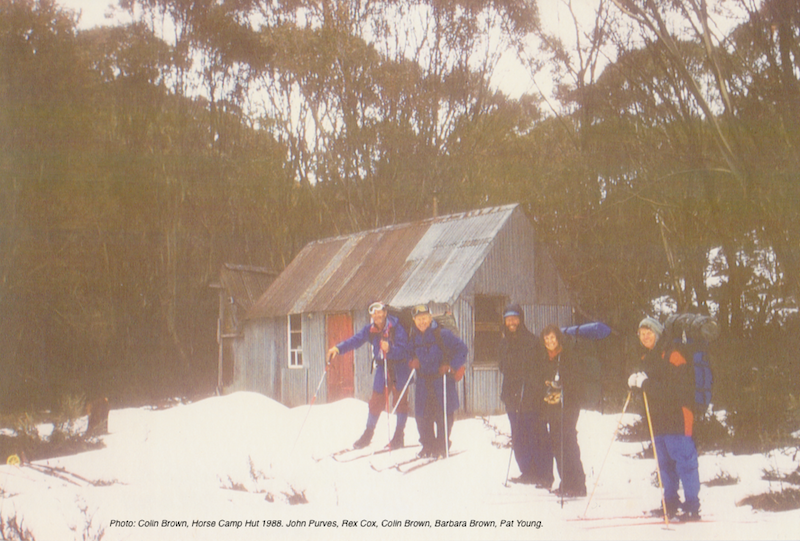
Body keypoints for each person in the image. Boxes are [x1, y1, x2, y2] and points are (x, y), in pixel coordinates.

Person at [628, 316, 701, 522]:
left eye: (649, 332)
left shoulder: (674, 355)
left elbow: (675, 390)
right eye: (641, 334)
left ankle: (692, 506)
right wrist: (634, 382)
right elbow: (649, 386)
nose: (645, 337)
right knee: (664, 463)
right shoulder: (648, 357)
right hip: (658, 418)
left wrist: (646, 384)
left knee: (684, 461)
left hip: (678, 415)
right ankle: (670, 503)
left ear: (658, 333)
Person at [327, 301, 411, 449]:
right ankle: (368, 434)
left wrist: (390, 349)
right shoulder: (370, 330)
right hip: (382, 368)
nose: (377, 315)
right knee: (375, 402)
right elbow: (355, 341)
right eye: (373, 312)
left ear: (385, 313)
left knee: (400, 403)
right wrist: (338, 349)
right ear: (371, 315)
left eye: (380, 312)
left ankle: (399, 436)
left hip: (400, 367)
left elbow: (405, 350)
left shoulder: (397, 328)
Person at [498, 303, 552, 487]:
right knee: (519, 436)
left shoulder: (533, 341)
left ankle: (544, 475)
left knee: (537, 435)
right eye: (508, 319)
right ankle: (527, 472)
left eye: (514, 318)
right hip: (512, 397)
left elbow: (542, 368)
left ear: (521, 319)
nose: (511, 322)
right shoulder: (504, 343)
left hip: (530, 397)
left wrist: (531, 384)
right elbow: (501, 367)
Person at [407, 304, 468, 458]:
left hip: (442, 381)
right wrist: (412, 360)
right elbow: (408, 353)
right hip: (423, 382)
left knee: (443, 415)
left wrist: (451, 366)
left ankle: (442, 446)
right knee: (422, 416)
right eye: (418, 319)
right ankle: (427, 446)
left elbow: (462, 349)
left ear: (430, 318)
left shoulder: (443, 334)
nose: (421, 322)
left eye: (424, 318)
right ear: (414, 321)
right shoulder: (413, 336)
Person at [540, 324, 587, 497]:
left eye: (552, 338)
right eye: (546, 339)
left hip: (568, 405)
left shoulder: (567, 355)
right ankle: (566, 482)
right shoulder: (545, 358)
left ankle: (578, 483)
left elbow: (576, 378)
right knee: (557, 443)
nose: (550, 342)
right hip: (552, 405)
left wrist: (564, 385)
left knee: (568, 441)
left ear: (558, 338)